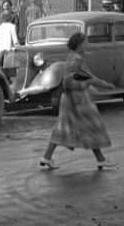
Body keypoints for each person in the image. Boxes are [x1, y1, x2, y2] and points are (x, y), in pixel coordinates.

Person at [38, 32, 117, 170]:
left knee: (64, 129)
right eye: (85, 42)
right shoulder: (77, 60)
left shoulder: (73, 57)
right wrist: (88, 85)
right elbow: (69, 82)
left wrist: (102, 84)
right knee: (91, 127)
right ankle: (101, 159)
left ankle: (47, 157)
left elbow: (87, 77)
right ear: (79, 44)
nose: (87, 44)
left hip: (70, 100)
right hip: (77, 100)